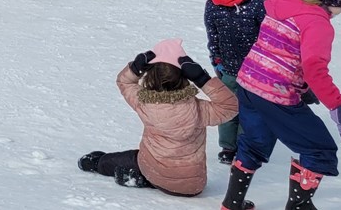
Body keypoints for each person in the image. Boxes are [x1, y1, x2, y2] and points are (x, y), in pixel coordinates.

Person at [221, 0, 341, 210]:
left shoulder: (282, 6)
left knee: (253, 143)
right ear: (329, 0)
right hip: (276, 95)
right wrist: (339, 107)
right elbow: (314, 67)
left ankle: (231, 204)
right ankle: (298, 207)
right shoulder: (317, 22)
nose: (339, 13)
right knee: (319, 148)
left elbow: (283, 51)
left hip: (249, 84)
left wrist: (303, 85)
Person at [77, 38, 243, 201]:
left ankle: (98, 163)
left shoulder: (144, 102)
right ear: (184, 76)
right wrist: (203, 79)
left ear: (150, 76)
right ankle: (147, 180)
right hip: (192, 186)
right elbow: (230, 107)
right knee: (148, 164)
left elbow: (124, 82)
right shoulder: (199, 110)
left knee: (128, 159)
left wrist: (135, 68)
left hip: (151, 169)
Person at [204, 0, 266, 166]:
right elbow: (212, 34)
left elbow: (267, 35)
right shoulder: (212, 3)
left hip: (254, 69)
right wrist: (216, 61)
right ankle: (228, 147)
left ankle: (244, 145)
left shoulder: (256, 4)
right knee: (229, 107)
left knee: (249, 110)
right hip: (228, 67)